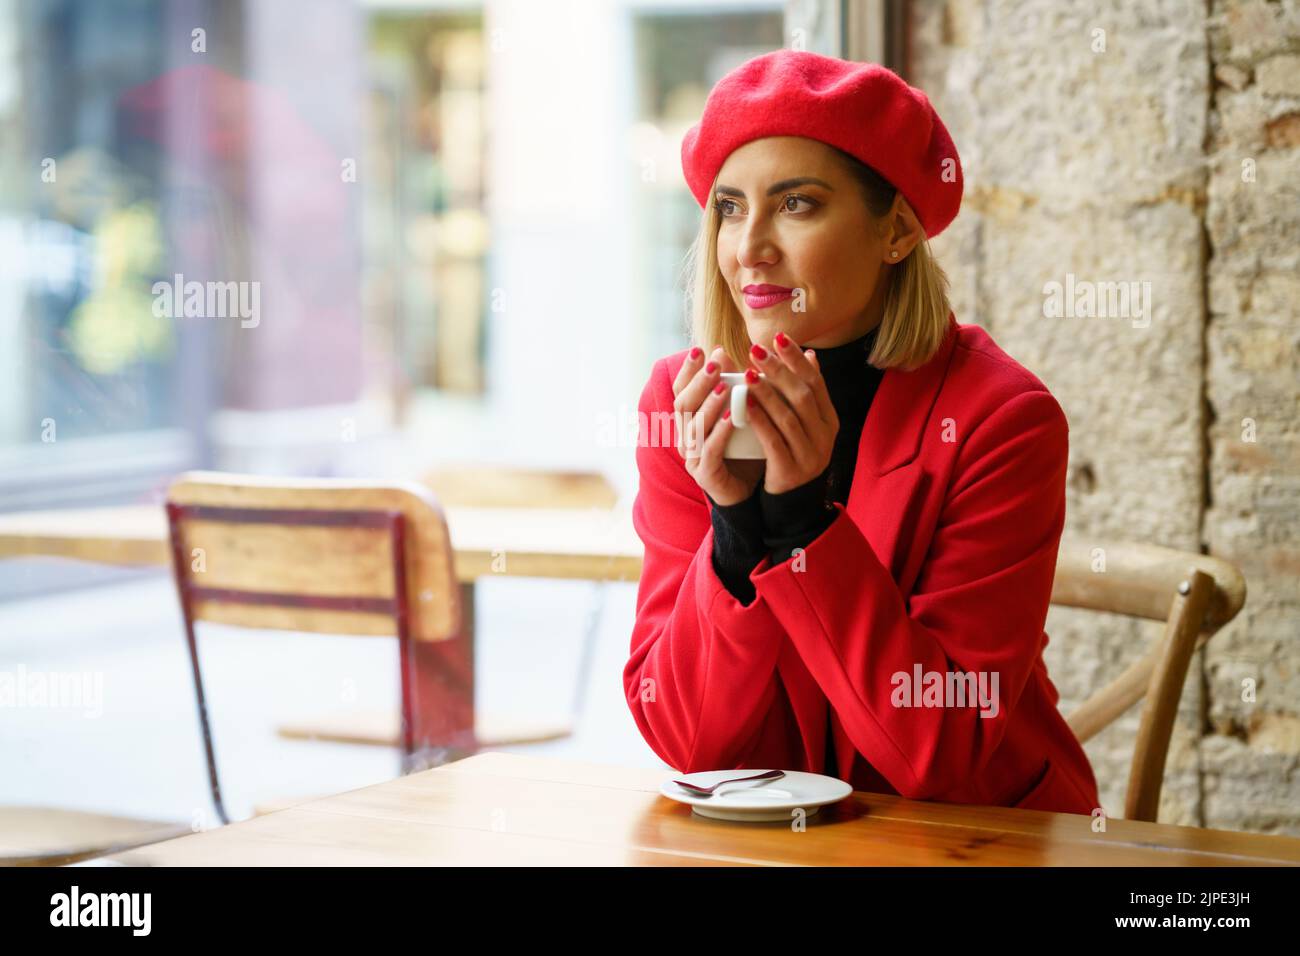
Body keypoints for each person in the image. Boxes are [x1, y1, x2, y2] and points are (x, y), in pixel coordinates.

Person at [623, 50, 1101, 816]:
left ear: (899, 231)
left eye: (798, 204)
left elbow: (937, 744)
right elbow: (687, 739)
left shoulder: (1001, 419)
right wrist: (737, 529)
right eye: (731, 208)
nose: (750, 248)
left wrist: (807, 527)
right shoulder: (687, 403)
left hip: (973, 840)